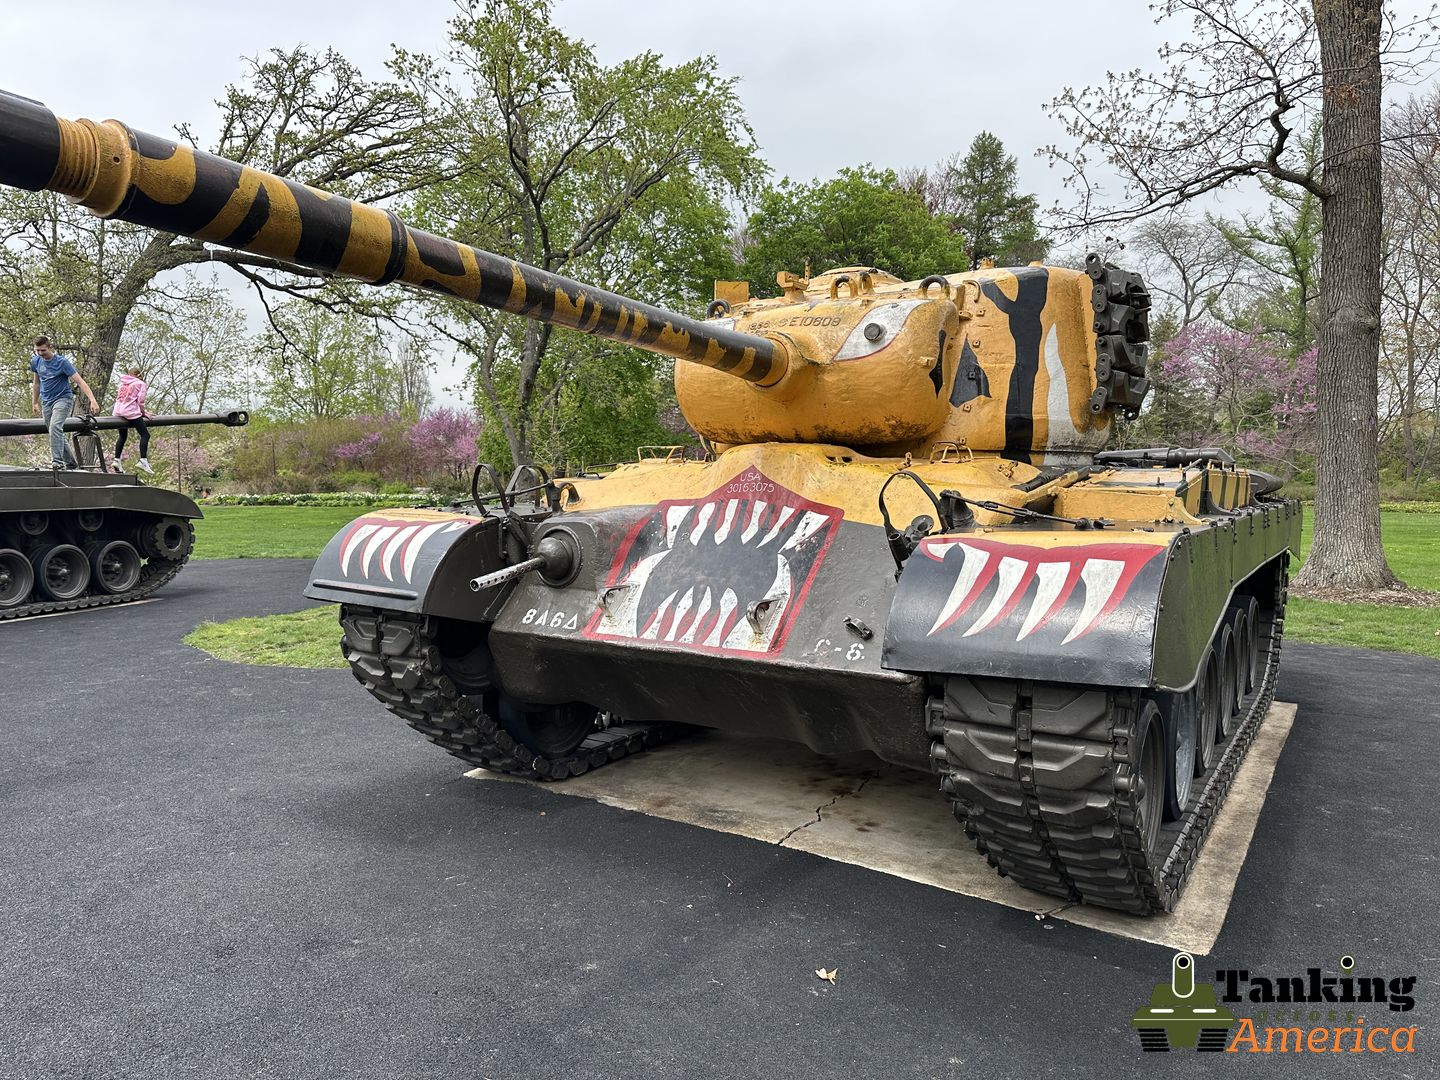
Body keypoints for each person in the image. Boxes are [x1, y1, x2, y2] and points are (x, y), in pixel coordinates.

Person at [28, 336, 99, 470]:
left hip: (63, 399)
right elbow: (36, 383)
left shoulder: (62, 362)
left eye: (43, 350)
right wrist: (35, 402)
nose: (40, 353)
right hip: (46, 401)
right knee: (54, 431)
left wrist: (92, 400)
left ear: (50, 347)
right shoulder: (36, 361)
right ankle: (71, 463)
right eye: (37, 351)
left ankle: (57, 463)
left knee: (55, 426)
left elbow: (80, 381)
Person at [111, 365, 154, 474]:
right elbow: (141, 401)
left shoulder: (122, 384)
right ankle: (143, 460)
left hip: (118, 412)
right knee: (145, 435)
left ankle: (117, 460)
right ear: (139, 375)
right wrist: (144, 413)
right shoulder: (140, 384)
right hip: (130, 412)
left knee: (122, 436)